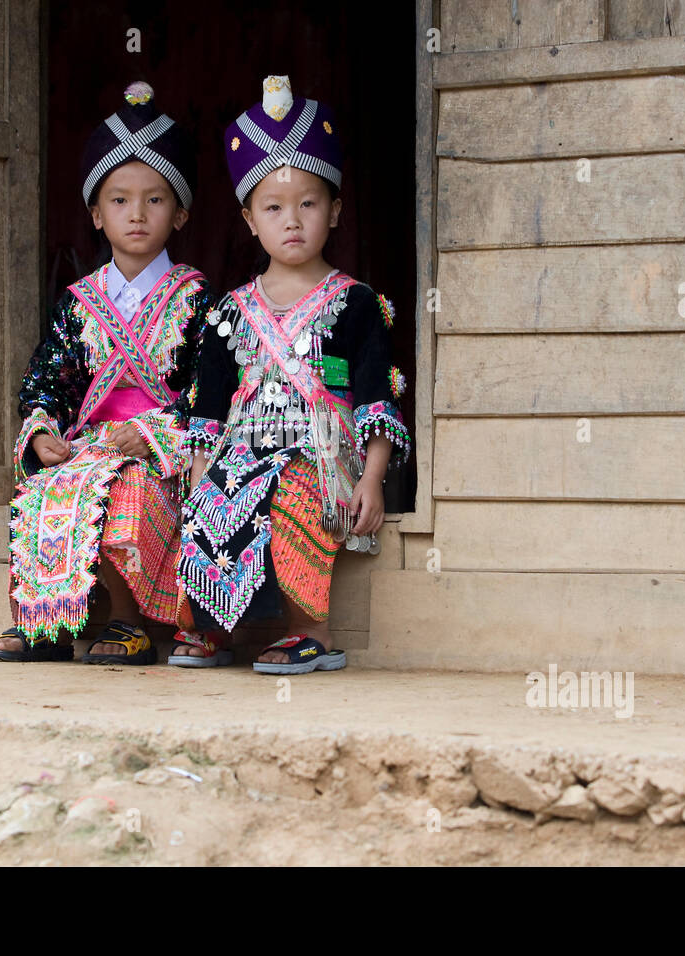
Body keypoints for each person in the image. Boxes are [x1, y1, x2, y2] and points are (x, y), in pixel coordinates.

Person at [173, 76, 410, 674]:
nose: (293, 221)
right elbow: (209, 405)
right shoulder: (230, 310)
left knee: (299, 483)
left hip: (326, 456)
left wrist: (374, 480)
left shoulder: (356, 303)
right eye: (273, 207)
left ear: (335, 209)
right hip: (244, 450)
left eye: (308, 203)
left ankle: (313, 632)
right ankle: (209, 627)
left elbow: (378, 397)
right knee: (213, 493)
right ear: (249, 221)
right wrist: (202, 473)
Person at [0, 82, 214, 665]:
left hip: (161, 454)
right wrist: (42, 432)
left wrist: (153, 436)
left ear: (181, 212)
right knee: (46, 490)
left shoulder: (197, 299)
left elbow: (210, 391)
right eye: (118, 199)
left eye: (155, 199)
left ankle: (127, 622)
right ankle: (47, 625)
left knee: (128, 491)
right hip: (89, 447)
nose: (136, 214)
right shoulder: (78, 303)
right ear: (95, 212)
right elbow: (47, 380)